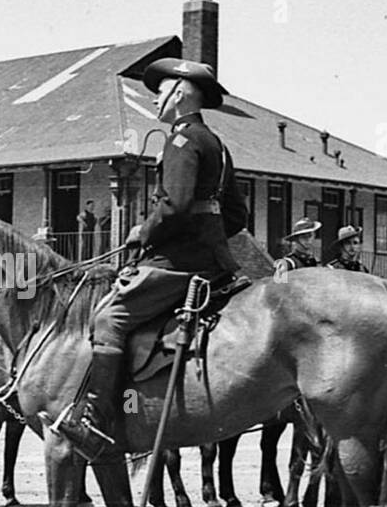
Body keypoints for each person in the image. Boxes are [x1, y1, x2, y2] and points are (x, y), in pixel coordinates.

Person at [52, 58, 246, 460]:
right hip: (212, 260)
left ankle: (95, 421)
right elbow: (237, 216)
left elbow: (174, 205)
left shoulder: (181, 140)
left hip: (180, 262)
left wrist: (143, 231)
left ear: (178, 92)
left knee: (109, 318)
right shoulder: (217, 144)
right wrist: (207, 238)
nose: (156, 98)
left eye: (160, 91)